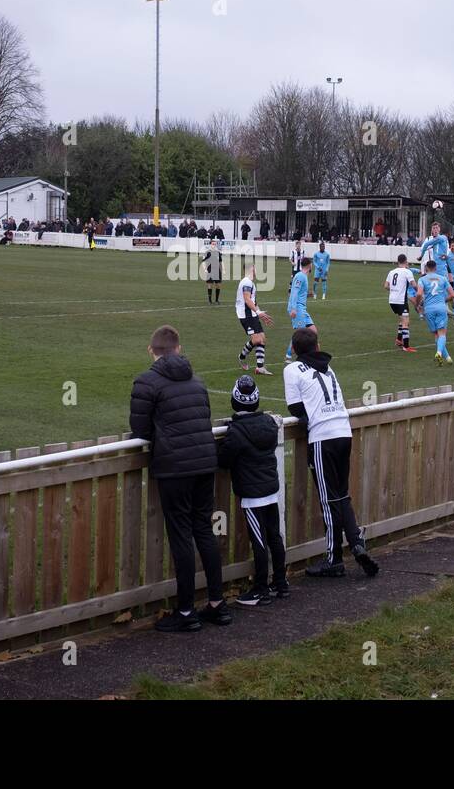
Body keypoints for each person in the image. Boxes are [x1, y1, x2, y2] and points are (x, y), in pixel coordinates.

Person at [129, 326, 231, 632]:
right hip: (203, 463)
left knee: (182, 536)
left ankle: (186, 612)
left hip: (176, 467)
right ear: (179, 348)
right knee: (204, 530)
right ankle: (217, 603)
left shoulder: (147, 382)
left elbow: (141, 430)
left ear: (152, 351)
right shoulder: (196, 381)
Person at [283, 328, 379, 578]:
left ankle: (334, 559)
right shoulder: (329, 367)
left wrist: (310, 421)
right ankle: (357, 543)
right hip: (343, 431)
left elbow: (295, 408)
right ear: (317, 346)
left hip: (323, 436)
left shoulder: (292, 369)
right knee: (341, 495)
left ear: (294, 349)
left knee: (328, 499)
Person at [216, 376, 289, 604]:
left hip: (253, 494)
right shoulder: (268, 423)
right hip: (270, 487)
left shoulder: (236, 432)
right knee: (274, 537)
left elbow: (224, 460)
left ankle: (260, 589)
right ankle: (280, 583)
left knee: (258, 541)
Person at [235, 263, 275, 375]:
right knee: (257, 339)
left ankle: (260, 367)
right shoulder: (246, 282)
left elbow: (253, 301)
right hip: (245, 315)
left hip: (252, 314)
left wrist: (260, 313)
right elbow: (247, 300)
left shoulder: (250, 283)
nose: (256, 270)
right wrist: (257, 312)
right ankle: (242, 357)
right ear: (251, 269)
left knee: (262, 338)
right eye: (255, 268)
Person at [417, 260, 454, 365]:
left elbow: (419, 294)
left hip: (429, 309)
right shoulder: (443, 278)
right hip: (441, 308)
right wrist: (444, 301)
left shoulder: (422, 279)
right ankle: (439, 353)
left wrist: (418, 304)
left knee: (436, 335)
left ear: (426, 269)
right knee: (442, 333)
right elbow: (452, 295)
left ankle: (447, 358)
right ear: (436, 268)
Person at [384, 254, 418, 352]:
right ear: (406, 261)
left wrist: (395, 289)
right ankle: (406, 346)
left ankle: (399, 340)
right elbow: (414, 285)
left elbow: (386, 286)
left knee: (402, 320)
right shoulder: (407, 271)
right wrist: (420, 292)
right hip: (401, 301)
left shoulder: (391, 272)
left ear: (398, 261)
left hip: (392, 300)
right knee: (406, 322)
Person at [285, 256, 315, 363]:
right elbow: (294, 293)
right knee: (300, 335)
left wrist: (307, 295)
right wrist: (293, 309)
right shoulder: (300, 276)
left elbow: (300, 293)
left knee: (313, 332)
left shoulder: (304, 276)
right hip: (297, 308)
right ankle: (288, 357)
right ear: (309, 265)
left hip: (302, 308)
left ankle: (313, 358)